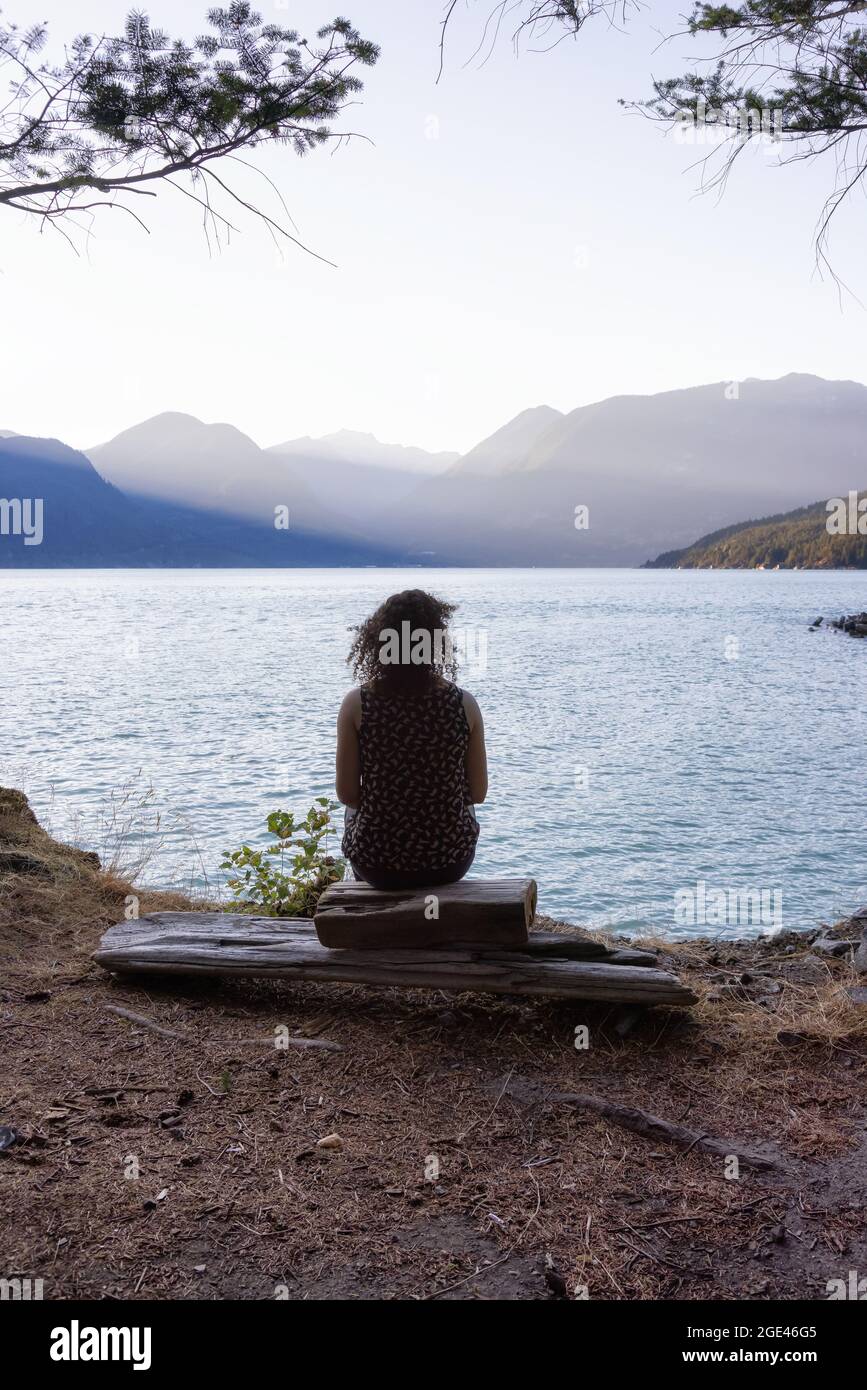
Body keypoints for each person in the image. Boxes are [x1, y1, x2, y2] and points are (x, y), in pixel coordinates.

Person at [335, 589, 487, 890]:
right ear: (436, 642)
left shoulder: (357, 705)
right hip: (449, 862)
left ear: (378, 640)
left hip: (377, 866)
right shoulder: (463, 704)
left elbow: (348, 795)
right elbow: (478, 793)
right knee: (462, 805)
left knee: (352, 811)